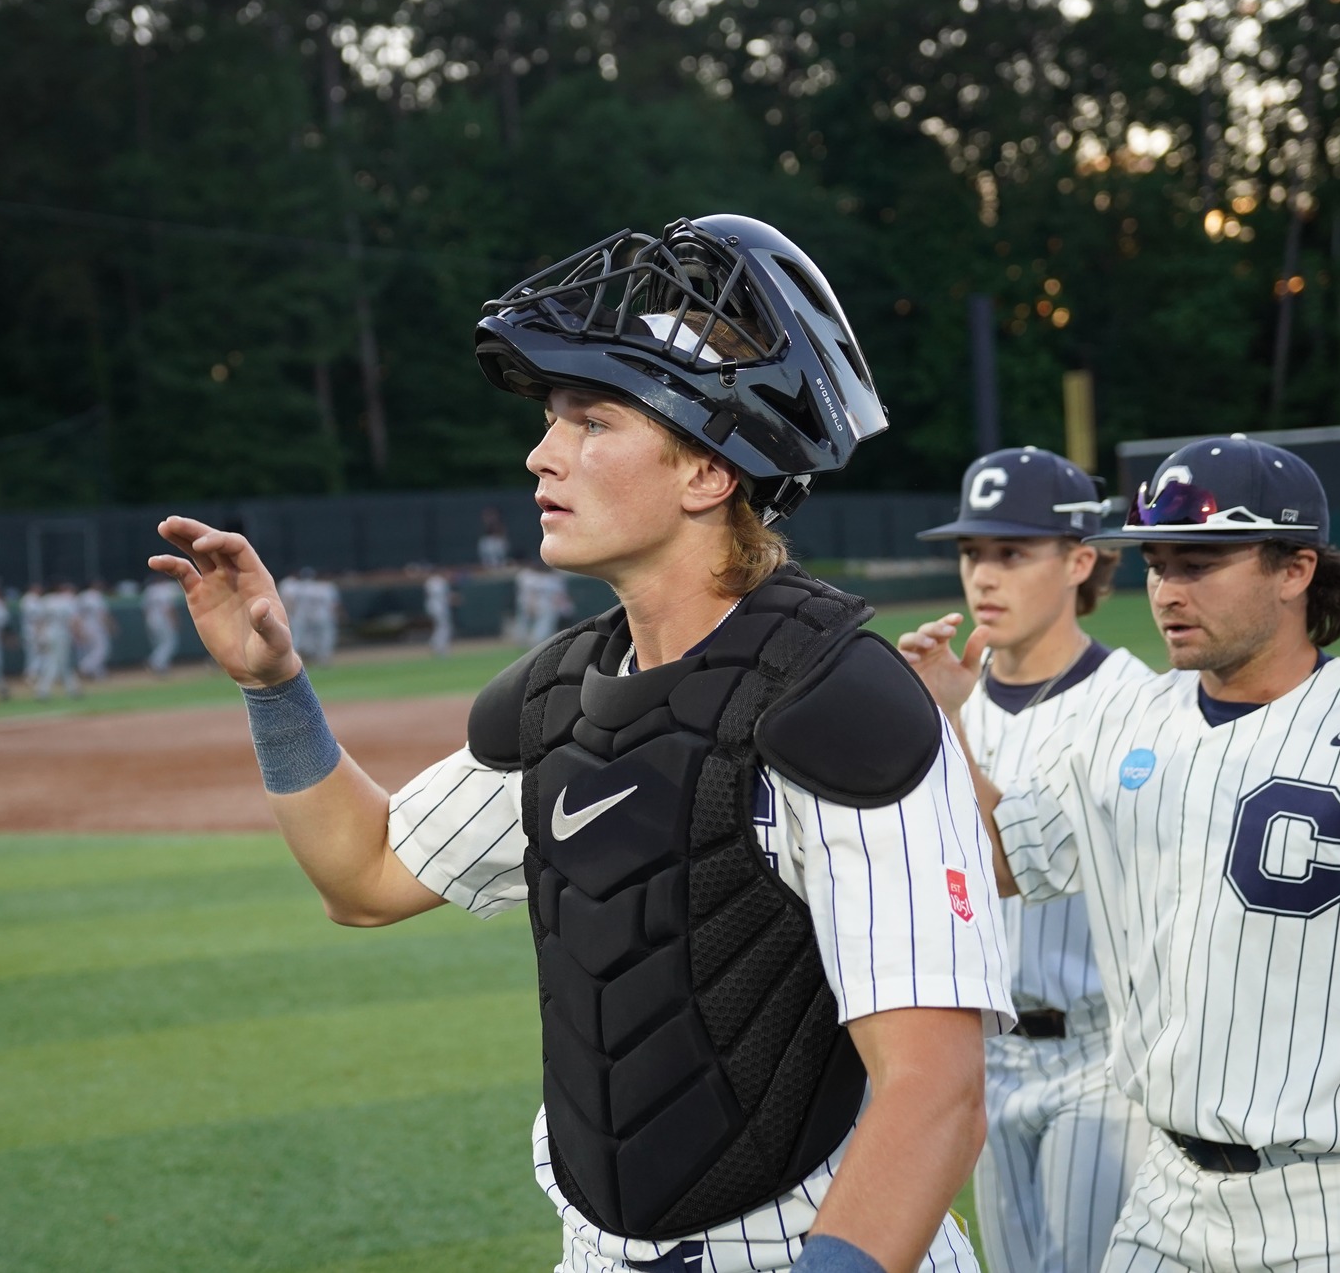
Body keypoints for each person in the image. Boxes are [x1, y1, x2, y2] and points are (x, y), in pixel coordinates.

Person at [153, 215, 1011, 1273]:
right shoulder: (563, 696)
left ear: (706, 471)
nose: (541, 453)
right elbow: (364, 874)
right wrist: (273, 685)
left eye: (590, 420)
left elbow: (936, 1092)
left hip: (816, 1248)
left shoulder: (837, 703)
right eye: (552, 418)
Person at [899, 435, 1340, 1273]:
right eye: (1158, 563)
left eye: (1199, 560)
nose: (1168, 588)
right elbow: (1007, 857)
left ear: (1294, 569)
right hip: (1164, 1199)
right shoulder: (1127, 722)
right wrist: (949, 717)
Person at [907, 448, 1154, 1273]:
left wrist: (946, 725)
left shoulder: (1135, 701)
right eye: (974, 551)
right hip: (985, 1053)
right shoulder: (953, 695)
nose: (984, 574)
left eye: (1013, 552)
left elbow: (1008, 852)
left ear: (1081, 561)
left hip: (1101, 1059)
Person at [33, 581, 82, 701]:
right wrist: (78, 634)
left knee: (62, 663)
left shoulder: (45, 600)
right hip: (61, 634)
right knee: (54, 663)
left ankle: (73, 689)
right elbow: (74, 620)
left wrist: (38, 637)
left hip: (47, 634)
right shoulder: (65, 600)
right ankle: (43, 690)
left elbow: (38, 621)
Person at [143, 574, 185, 673]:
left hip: (151, 619)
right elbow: (168, 608)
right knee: (169, 643)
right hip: (164, 620)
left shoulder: (150, 590)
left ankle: (160, 665)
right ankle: (155, 662)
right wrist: (174, 621)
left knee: (159, 643)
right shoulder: (165, 590)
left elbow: (146, 609)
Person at [76, 579, 115, 680]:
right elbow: (102, 614)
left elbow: (78, 615)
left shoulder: (82, 596)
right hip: (97, 627)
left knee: (91, 650)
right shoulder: (97, 596)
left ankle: (99, 674)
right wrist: (110, 626)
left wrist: (79, 629)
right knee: (102, 650)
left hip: (85, 626)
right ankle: (85, 667)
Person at [18, 583, 46, 685]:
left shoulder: (24, 600)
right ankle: (31, 675)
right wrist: (40, 632)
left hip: (27, 630)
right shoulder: (33, 600)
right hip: (34, 630)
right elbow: (36, 618)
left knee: (31, 655)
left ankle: (31, 675)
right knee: (38, 654)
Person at [423, 569, 456, 656]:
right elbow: (443, 596)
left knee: (440, 627)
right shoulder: (440, 581)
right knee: (444, 628)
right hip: (439, 608)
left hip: (432, 607)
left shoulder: (430, 581)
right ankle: (438, 646)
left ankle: (435, 644)